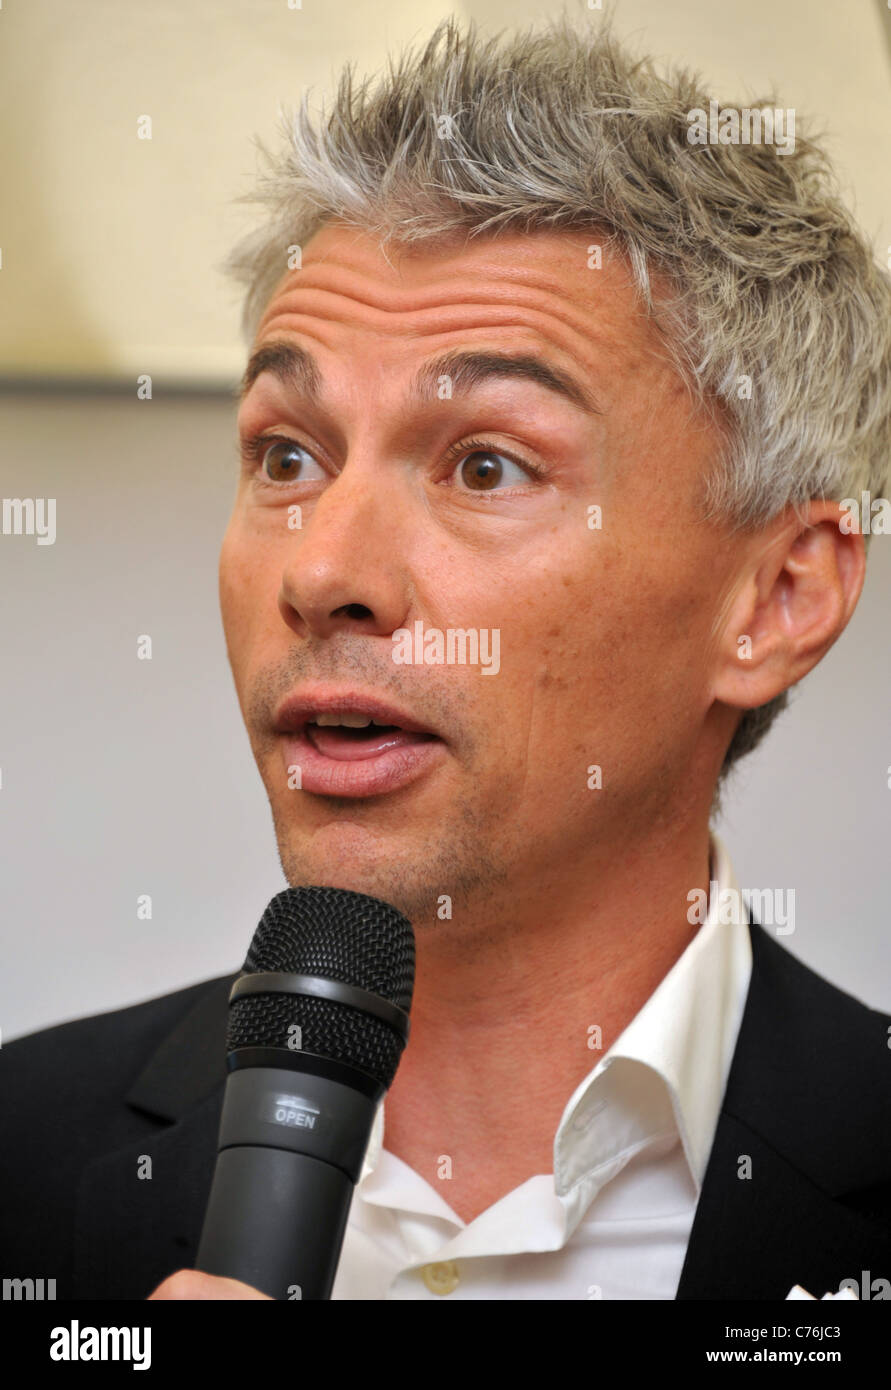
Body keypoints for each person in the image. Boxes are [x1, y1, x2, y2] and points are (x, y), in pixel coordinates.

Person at [2, 15, 890, 1302]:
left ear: (778, 594)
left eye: (486, 463)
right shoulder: (23, 1156)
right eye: (287, 455)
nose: (323, 574)